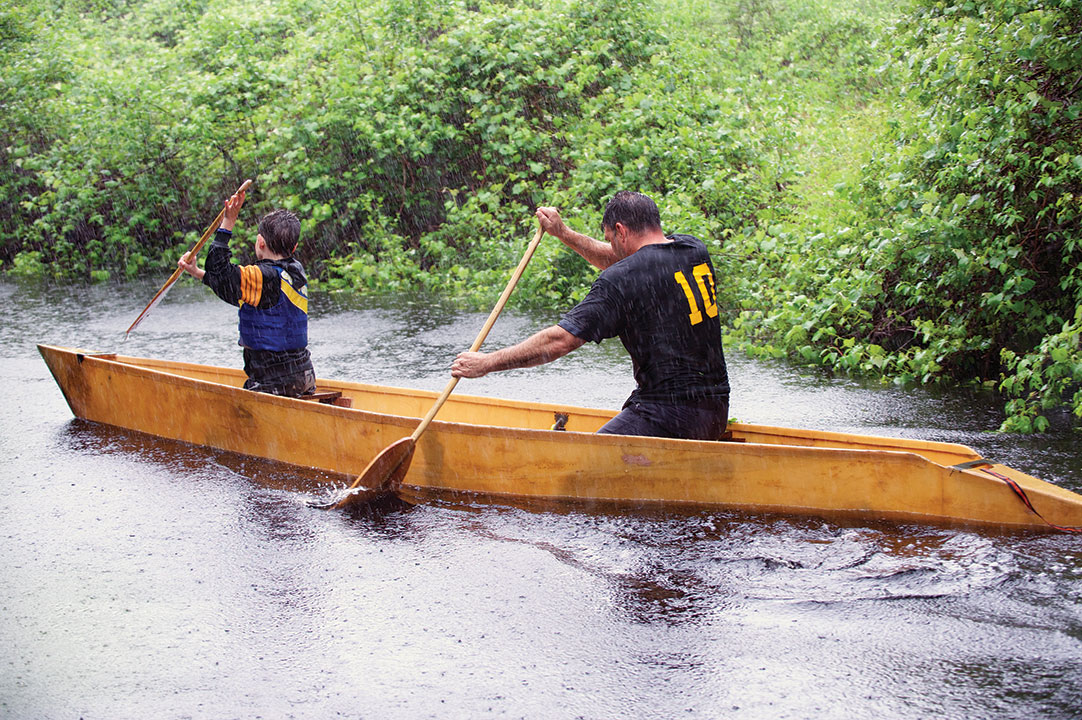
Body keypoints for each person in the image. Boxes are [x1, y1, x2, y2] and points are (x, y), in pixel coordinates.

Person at [451, 191, 730, 440]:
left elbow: (559, 341)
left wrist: (487, 362)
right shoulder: (692, 249)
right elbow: (625, 259)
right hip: (713, 413)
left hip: (667, 416)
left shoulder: (621, 279)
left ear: (620, 230)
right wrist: (564, 233)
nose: (610, 246)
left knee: (581, 472)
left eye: (610, 239)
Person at [178, 187, 316, 398]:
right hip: (302, 377)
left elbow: (220, 270)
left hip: (273, 383)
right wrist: (198, 273)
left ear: (260, 242)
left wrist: (228, 222)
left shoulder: (265, 276)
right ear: (294, 247)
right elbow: (234, 290)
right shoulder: (295, 271)